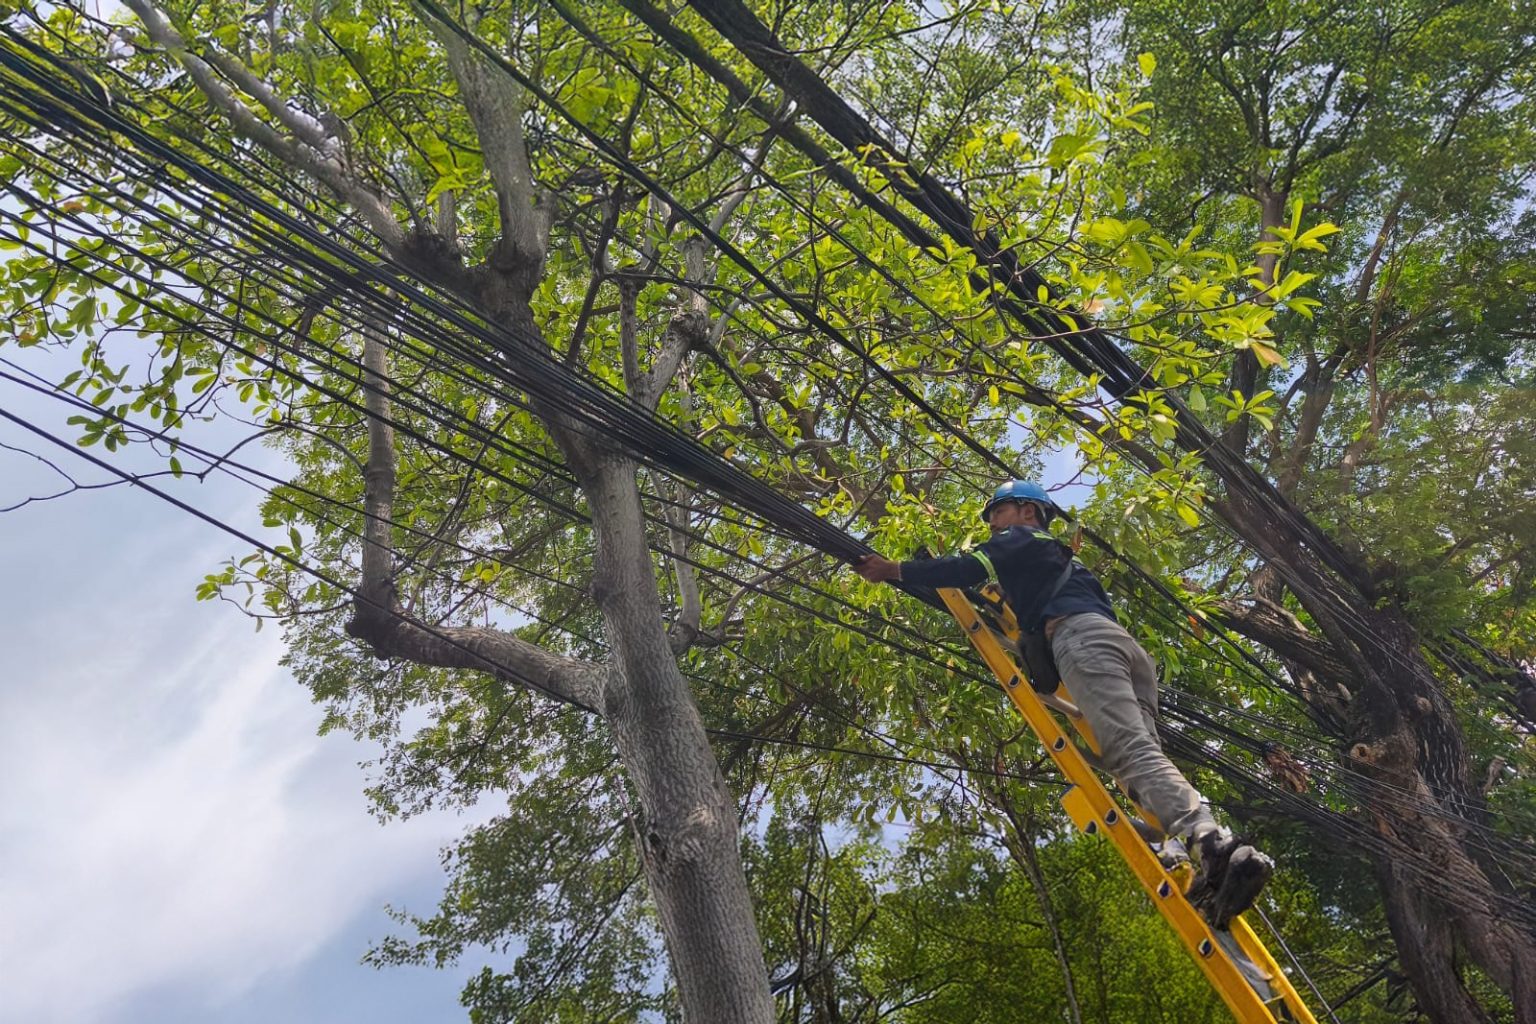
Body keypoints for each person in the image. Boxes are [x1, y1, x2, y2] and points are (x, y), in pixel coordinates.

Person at [852, 480, 1272, 928]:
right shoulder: (1057, 557)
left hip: (1081, 640)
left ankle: (1211, 842)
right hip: (1126, 650)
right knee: (1142, 759)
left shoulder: (1019, 537)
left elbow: (968, 569)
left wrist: (893, 569)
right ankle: (1181, 849)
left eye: (997, 511)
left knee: (1129, 752)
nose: (992, 523)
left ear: (1028, 511)